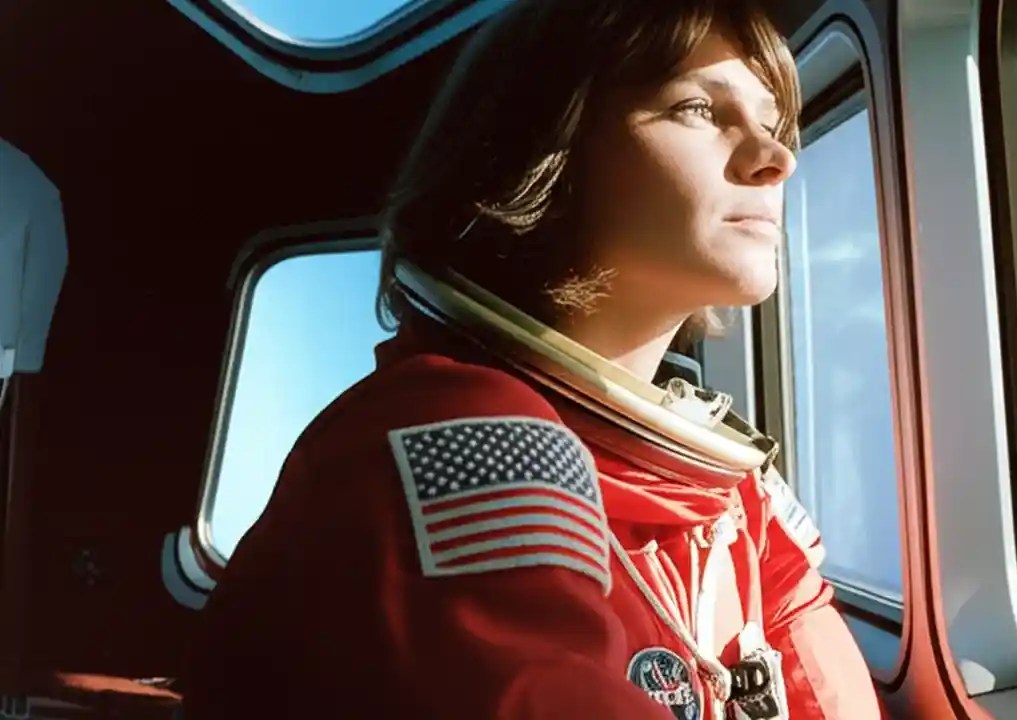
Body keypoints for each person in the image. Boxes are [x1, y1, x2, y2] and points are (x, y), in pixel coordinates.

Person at [181, 0, 883, 718]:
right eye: (700, 108)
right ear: (547, 148)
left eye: (772, 123)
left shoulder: (733, 499)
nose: (776, 157)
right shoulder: (454, 429)